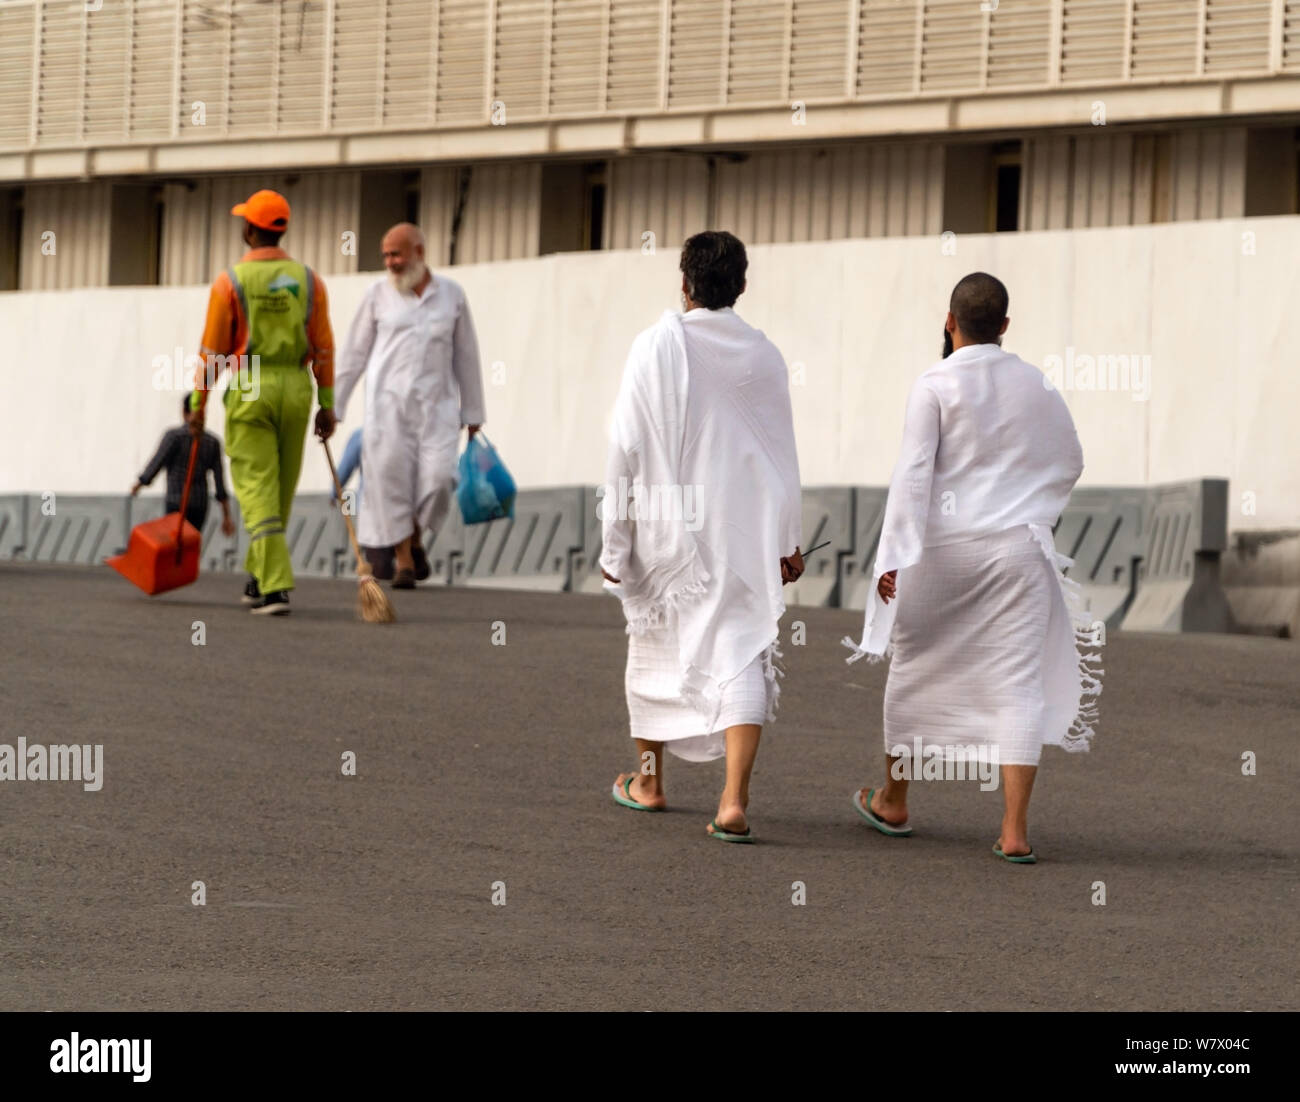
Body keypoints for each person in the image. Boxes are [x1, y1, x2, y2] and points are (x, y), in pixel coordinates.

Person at [843, 272, 1102, 863]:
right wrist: (1033, 511)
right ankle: (1014, 832)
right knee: (1018, 684)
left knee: (913, 668)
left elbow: (912, 477)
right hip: (1016, 551)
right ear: (1005, 327)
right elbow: (1071, 459)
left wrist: (893, 560)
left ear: (949, 321)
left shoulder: (933, 383)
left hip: (939, 552)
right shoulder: (1038, 384)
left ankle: (894, 800)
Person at [602, 230, 805, 843]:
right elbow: (781, 458)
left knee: (653, 652)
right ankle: (733, 800)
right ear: (741, 286)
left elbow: (623, 452)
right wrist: (786, 543)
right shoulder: (765, 355)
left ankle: (650, 782)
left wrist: (614, 543)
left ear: (684, 284)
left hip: (668, 534)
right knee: (741, 652)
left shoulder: (652, 348)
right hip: (741, 535)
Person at [189, 189, 336, 615]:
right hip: (295, 383)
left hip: (252, 378)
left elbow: (213, 351)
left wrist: (200, 402)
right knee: (281, 488)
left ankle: (274, 588)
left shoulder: (230, 281)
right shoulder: (309, 281)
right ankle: (258, 578)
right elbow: (324, 347)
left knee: (256, 486)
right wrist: (327, 403)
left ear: (250, 229)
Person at [333, 223, 485, 589]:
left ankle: (415, 538)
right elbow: (354, 355)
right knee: (391, 486)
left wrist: (474, 413)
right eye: (385, 255)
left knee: (438, 481)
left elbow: (467, 356)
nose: (390, 263)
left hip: (438, 411)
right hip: (387, 412)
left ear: (419, 251)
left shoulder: (452, 296)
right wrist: (333, 407)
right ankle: (403, 561)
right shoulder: (376, 296)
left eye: (396, 254)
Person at [132, 392, 235, 538]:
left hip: (176, 501)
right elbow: (220, 481)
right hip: (200, 505)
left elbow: (157, 462)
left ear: (183, 411)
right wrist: (227, 515)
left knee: (173, 547)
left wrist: (140, 483)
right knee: (191, 548)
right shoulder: (212, 442)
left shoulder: (174, 437)